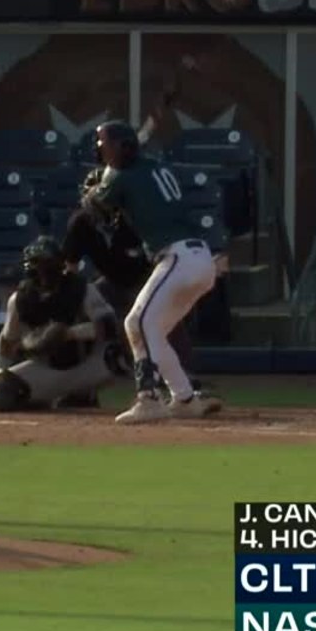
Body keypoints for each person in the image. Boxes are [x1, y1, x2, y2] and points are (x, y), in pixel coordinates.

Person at [82, 120, 223, 424]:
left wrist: (94, 190)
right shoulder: (153, 166)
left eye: (105, 144)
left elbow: (97, 206)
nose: (101, 150)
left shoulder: (119, 174)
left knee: (137, 322)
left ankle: (148, 399)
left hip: (177, 258)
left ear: (121, 146)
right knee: (152, 331)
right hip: (199, 260)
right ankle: (184, 397)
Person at [62, 166, 201, 388]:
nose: (103, 201)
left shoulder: (135, 218)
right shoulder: (80, 223)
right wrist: (74, 298)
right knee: (79, 309)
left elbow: (159, 252)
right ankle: (81, 381)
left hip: (145, 278)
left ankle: (182, 374)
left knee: (162, 317)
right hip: (110, 281)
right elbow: (70, 267)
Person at [0, 236, 130, 413]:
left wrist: (70, 333)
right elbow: (7, 341)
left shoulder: (81, 289)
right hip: (47, 366)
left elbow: (111, 327)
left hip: (89, 363)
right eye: (40, 266)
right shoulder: (20, 300)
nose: (44, 273)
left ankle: (90, 392)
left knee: (121, 354)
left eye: (48, 266)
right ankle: (51, 397)